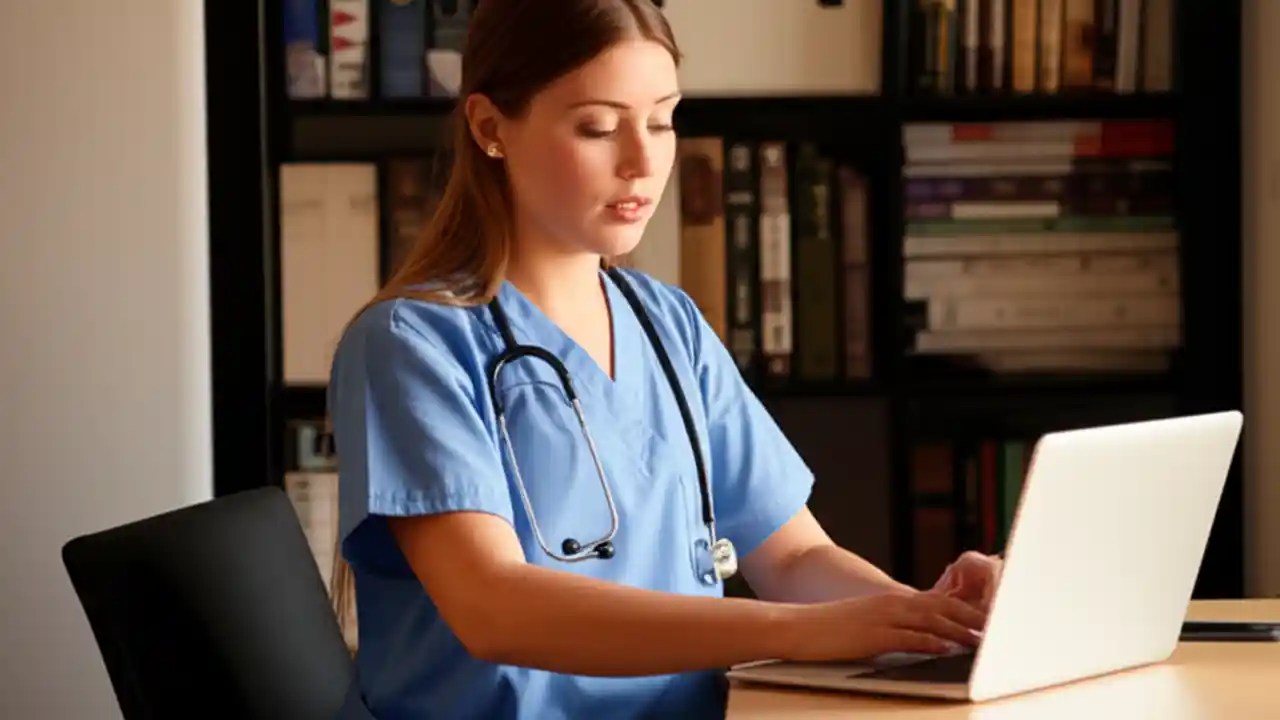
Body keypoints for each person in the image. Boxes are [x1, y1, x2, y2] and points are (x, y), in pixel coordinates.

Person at [326, 1, 1003, 718]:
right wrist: (802, 634)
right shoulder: (413, 343)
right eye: (597, 126)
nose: (642, 162)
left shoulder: (667, 323)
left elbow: (794, 558)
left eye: (661, 120)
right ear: (491, 128)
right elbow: (496, 607)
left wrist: (938, 620)